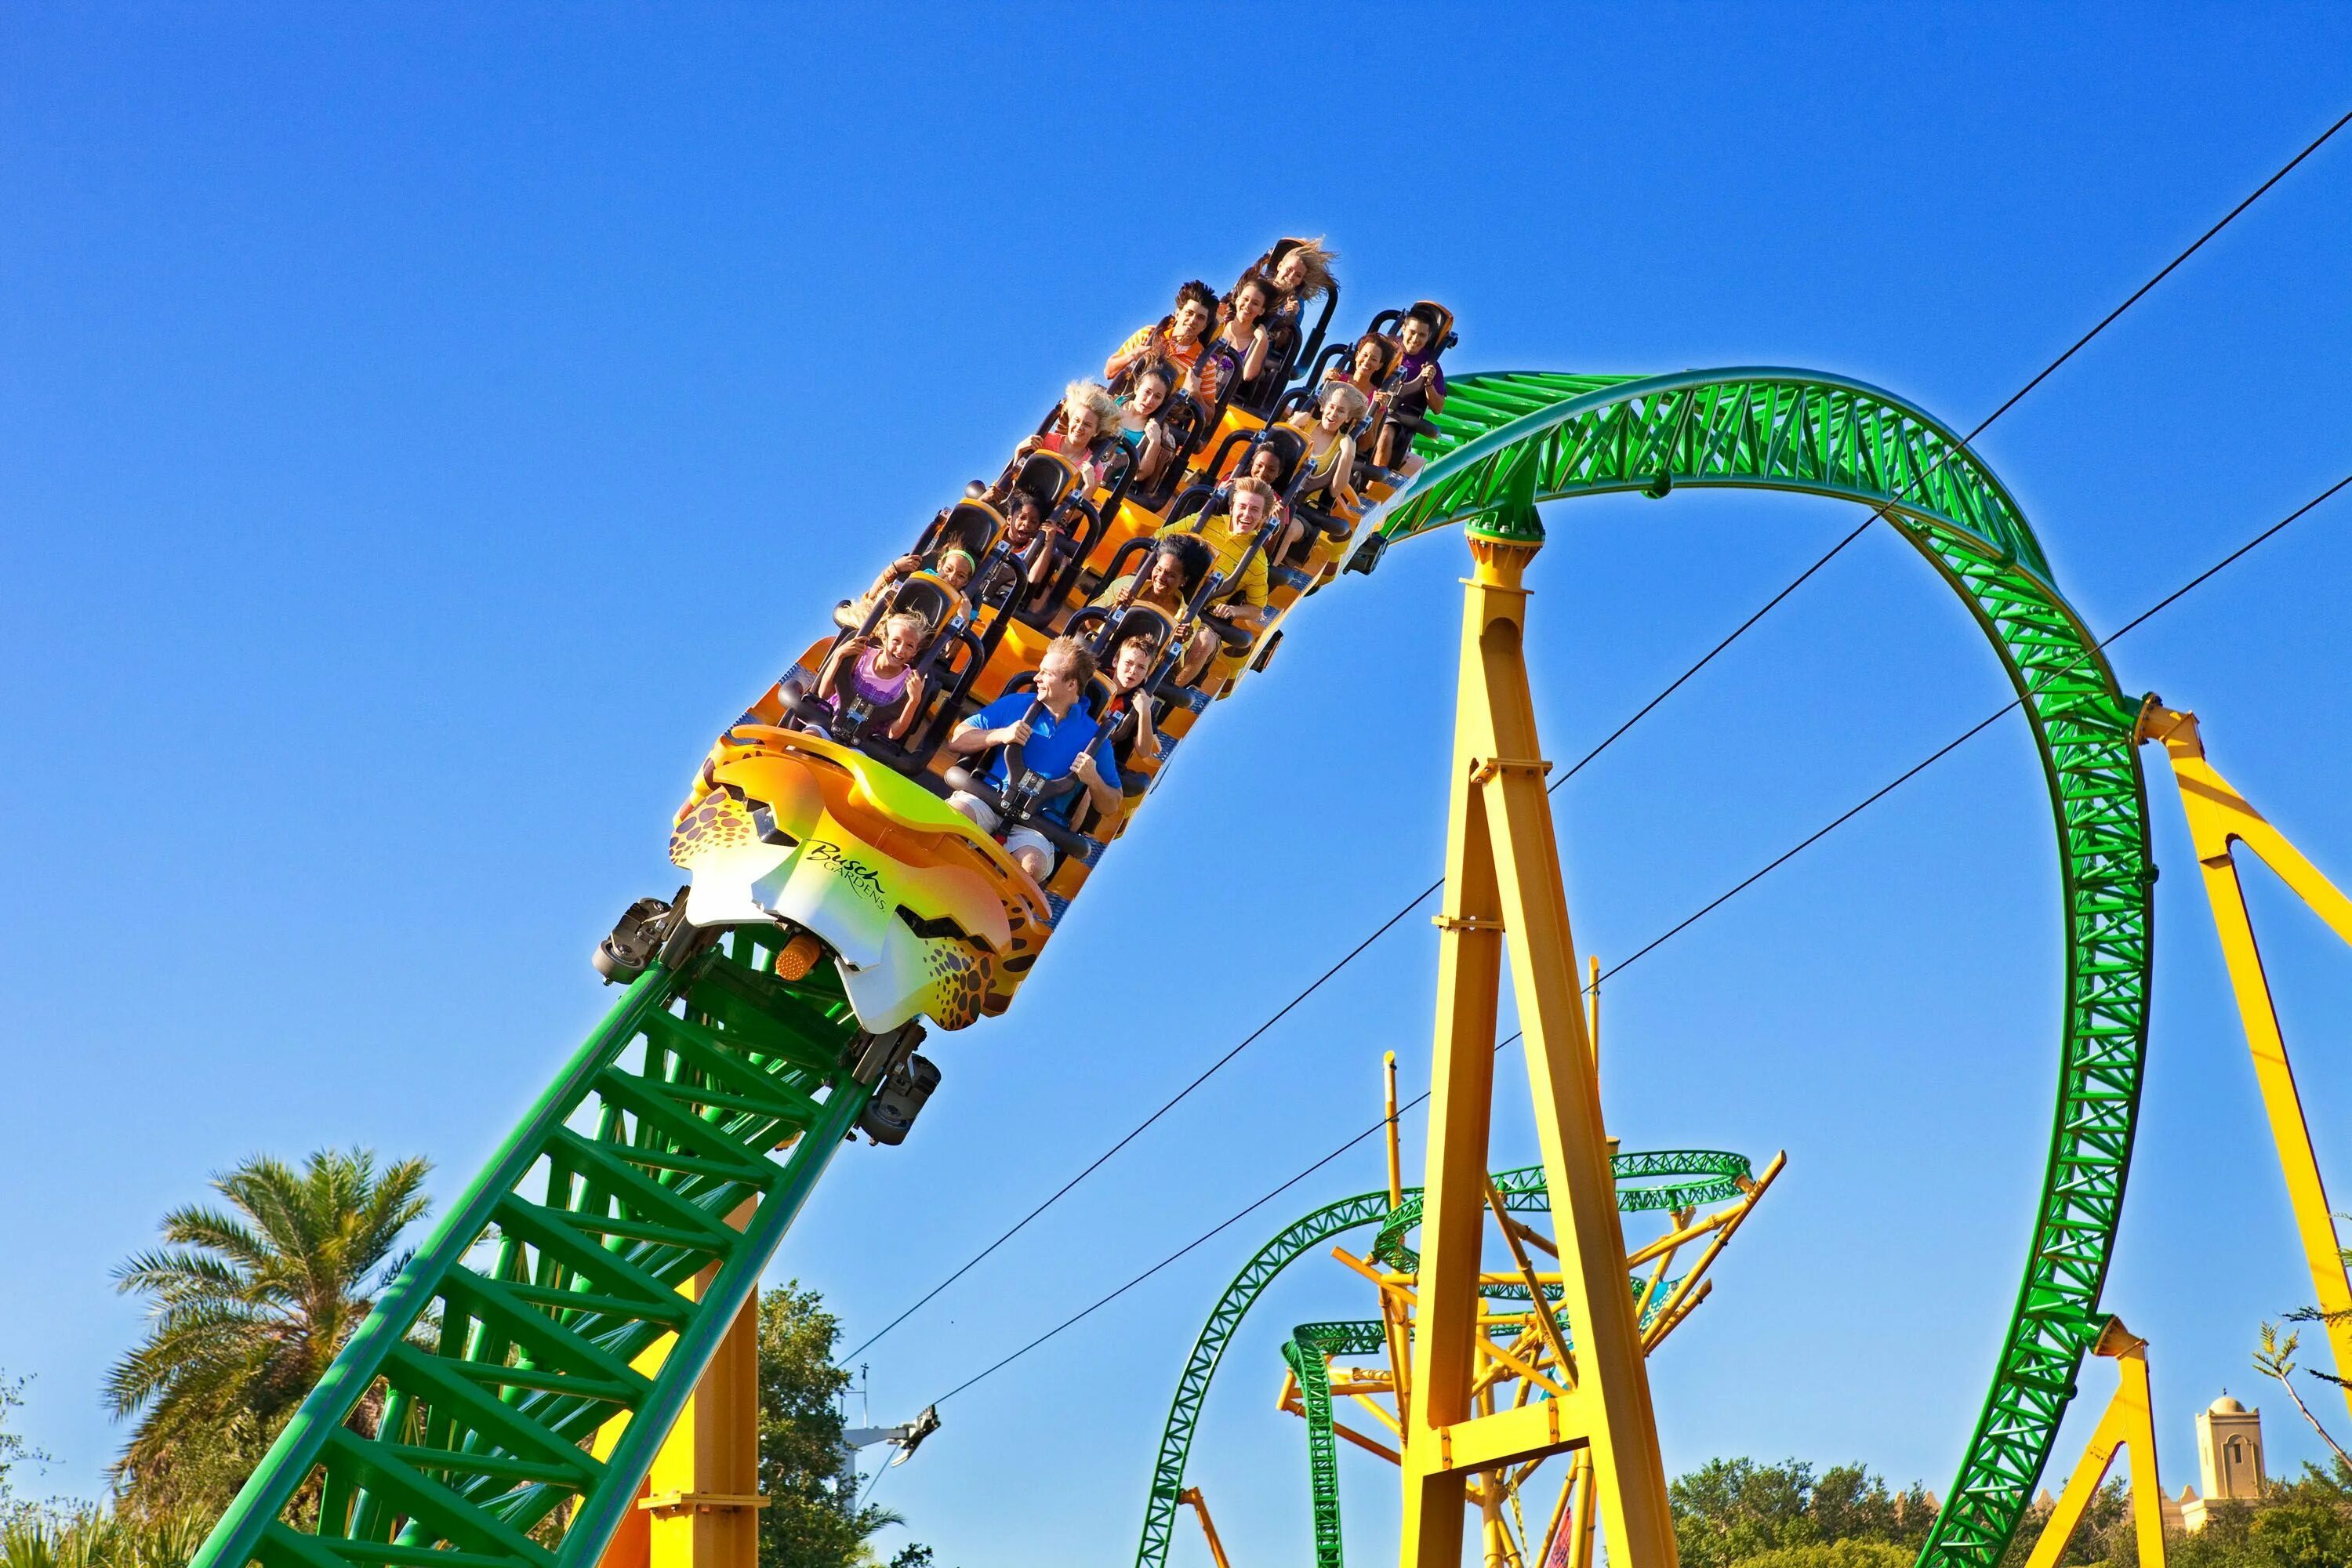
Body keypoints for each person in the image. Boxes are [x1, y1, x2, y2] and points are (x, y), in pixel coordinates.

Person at [945, 636, 1123, 880]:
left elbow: (1112, 804)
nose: (1037, 678)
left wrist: (1093, 779)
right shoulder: (1016, 704)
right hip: (988, 799)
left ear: (1071, 685)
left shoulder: (1094, 739)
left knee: (1032, 865)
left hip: (1037, 827)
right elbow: (958, 739)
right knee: (956, 815)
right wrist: (1000, 735)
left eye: (1046, 674)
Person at [1160, 477, 1275, 686]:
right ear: (1232, 507)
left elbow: (1257, 610)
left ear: (1264, 516)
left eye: (1255, 510)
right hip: (1169, 592)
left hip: (1204, 613)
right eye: (1242, 506)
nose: (1247, 515)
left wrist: (1233, 610)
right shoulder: (1205, 522)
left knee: (1205, 642)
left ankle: (1164, 690)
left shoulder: (1257, 561)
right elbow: (1159, 538)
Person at [1094, 536, 1216, 687]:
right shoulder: (1126, 585)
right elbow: (1087, 623)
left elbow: (1173, 671)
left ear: (1184, 580)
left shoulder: (1187, 619)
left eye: (1171, 575)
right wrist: (1115, 607)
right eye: (1159, 569)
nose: (1161, 578)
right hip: (1099, 654)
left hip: (1137, 679)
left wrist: (1177, 643)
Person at [810, 611, 929, 743]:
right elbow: (824, 694)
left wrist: (914, 700)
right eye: (896, 641)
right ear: (885, 639)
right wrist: (838, 656)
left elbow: (893, 734)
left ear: (915, 652)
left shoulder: (910, 681)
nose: (900, 650)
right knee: (809, 737)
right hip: (830, 721)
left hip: (862, 741)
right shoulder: (861, 654)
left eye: (909, 646)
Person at [1105, 280, 1217, 390]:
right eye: (1189, 313)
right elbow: (1109, 372)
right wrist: (1132, 356)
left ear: (1204, 326)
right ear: (1178, 314)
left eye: (1200, 318)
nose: (1193, 320)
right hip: (1124, 402)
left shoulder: (1205, 365)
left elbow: (1210, 408)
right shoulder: (1148, 334)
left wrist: (1195, 393)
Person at [1375, 307, 1449, 471]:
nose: (1415, 339)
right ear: (1404, 329)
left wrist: (1428, 383)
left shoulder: (1431, 365)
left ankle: (1373, 484)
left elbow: (1438, 408)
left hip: (1395, 416)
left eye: (1422, 335)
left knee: (1385, 432)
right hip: (1368, 403)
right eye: (1412, 332)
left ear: (1429, 337)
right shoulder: (1387, 347)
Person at [1285, 382, 1367, 518]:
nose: (1334, 414)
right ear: (1323, 407)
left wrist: (1348, 455)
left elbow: (1335, 491)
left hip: (1301, 508)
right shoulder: (1303, 423)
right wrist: (1291, 426)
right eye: (1332, 407)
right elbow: (1271, 451)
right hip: (1273, 489)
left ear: (1348, 418)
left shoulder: (1342, 445)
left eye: (1341, 411)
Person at [1203, 272, 1276, 404]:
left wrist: (1262, 340)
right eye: (1245, 299)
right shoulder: (1218, 325)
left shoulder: (1257, 340)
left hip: (1220, 400)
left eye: (1255, 303)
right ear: (1237, 300)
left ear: (1261, 311)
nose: (1248, 306)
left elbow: (1248, 375)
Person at [1116, 361, 1178, 488]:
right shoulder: (1112, 405)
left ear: (1162, 402)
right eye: (1147, 392)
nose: (1149, 400)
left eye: (1157, 397)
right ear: (1137, 388)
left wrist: (1155, 443)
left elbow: (1141, 475)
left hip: (1114, 484)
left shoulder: (1157, 429)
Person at [1256, 238, 1338, 325]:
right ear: (1280, 266)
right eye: (1289, 269)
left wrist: (1292, 315)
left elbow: (1292, 333)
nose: (1291, 276)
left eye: (1298, 275)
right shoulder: (1260, 285)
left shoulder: (1297, 302)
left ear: (1300, 281)